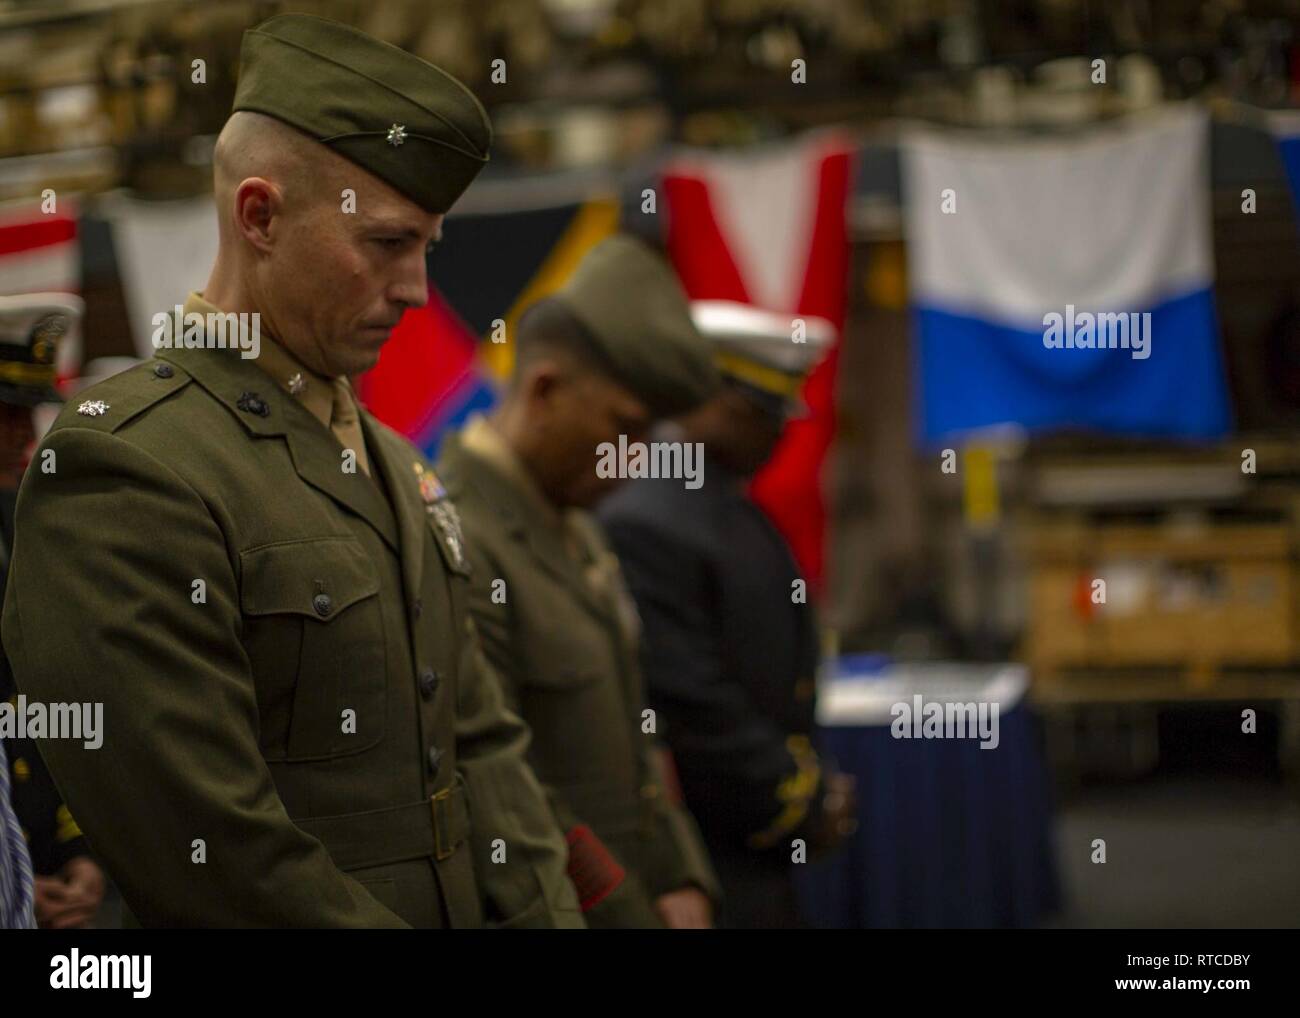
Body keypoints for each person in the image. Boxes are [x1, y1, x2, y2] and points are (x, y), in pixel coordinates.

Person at [1, 13, 582, 929]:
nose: (417, 289)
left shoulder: (392, 462)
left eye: (427, 246)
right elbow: (214, 853)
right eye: (387, 243)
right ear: (260, 215)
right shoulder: (125, 466)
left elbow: (483, 749)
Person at [437, 235, 721, 927]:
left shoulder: (580, 529)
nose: (636, 459)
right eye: (624, 428)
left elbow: (637, 733)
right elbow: (503, 783)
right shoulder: (462, 539)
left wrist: (683, 873)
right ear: (544, 390)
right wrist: (631, 910)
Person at [598, 300, 856, 928]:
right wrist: (798, 802)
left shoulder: (713, 497)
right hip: (707, 853)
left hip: (751, 848)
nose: (778, 434)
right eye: (760, 413)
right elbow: (689, 705)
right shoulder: (649, 516)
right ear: (703, 397)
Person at [0, 294, 106, 929]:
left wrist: (79, 850)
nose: (24, 435)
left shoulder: (22, 529)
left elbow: (50, 705)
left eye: (29, 415)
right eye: (4, 414)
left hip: (46, 867)